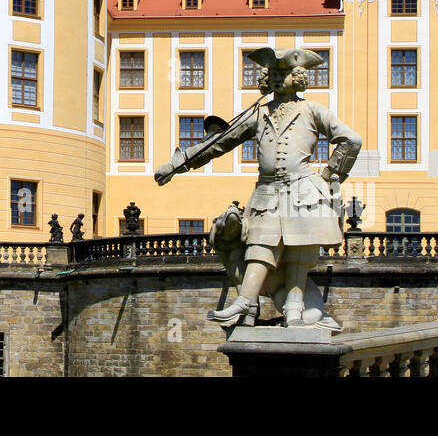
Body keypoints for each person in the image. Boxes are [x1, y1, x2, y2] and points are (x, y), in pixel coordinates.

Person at [155, 48, 361, 328]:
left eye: (283, 74)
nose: (276, 79)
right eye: (272, 74)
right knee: (259, 246)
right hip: (267, 191)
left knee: (299, 254)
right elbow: (220, 141)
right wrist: (176, 164)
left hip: (302, 189)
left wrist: (329, 176)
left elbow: (351, 140)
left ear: (298, 77)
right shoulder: (259, 113)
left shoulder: (312, 110)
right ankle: (245, 303)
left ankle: (295, 310)